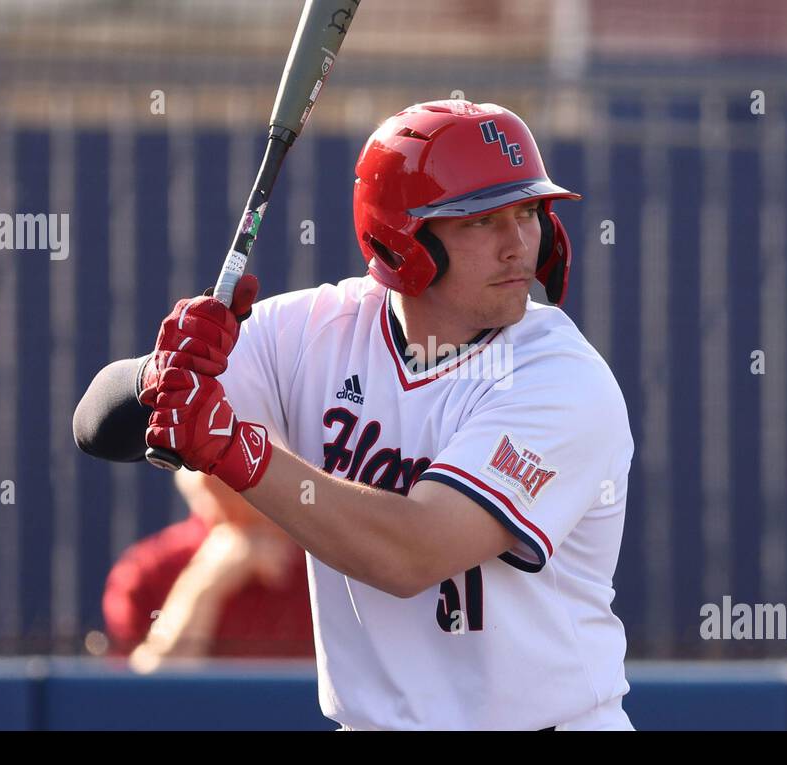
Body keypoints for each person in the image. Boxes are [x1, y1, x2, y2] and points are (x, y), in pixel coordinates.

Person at [75, 100, 635, 730]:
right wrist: (163, 377)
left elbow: (413, 554)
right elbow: (97, 424)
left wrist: (238, 451)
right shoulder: (319, 330)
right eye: (481, 222)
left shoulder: (562, 379)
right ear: (402, 237)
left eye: (529, 211)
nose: (518, 247)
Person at [103, 470, 313, 672]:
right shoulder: (147, 570)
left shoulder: (329, 562)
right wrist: (202, 589)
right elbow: (140, 697)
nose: (207, 475)